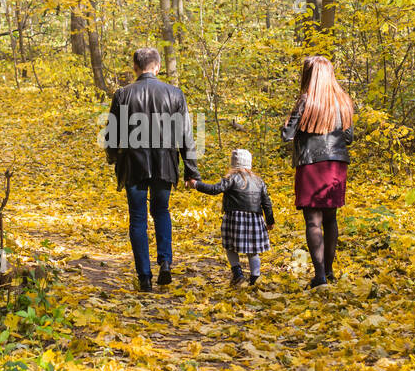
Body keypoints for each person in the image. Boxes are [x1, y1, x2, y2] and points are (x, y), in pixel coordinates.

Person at [103, 46, 200, 291]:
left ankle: (144, 276)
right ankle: (165, 262)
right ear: (157, 67)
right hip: (165, 164)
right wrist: (191, 171)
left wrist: (113, 157)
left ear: (135, 68)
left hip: (133, 165)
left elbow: (112, 133)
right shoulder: (175, 94)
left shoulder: (123, 94)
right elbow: (186, 135)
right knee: (161, 212)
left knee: (137, 218)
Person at [280, 56, 354, 287]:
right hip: (336, 164)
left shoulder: (305, 101)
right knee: (331, 218)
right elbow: (349, 138)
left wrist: (287, 123)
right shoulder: (343, 101)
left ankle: (320, 276)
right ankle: (329, 272)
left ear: (309, 75)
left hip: (311, 163)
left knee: (313, 220)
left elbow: (287, 135)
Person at [188, 149, 275, 286]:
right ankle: (255, 277)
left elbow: (214, 189)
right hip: (254, 219)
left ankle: (237, 273)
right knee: (253, 251)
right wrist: (270, 221)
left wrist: (196, 184)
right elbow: (266, 202)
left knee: (230, 246)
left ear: (233, 164)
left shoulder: (231, 178)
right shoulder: (259, 181)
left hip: (235, 218)